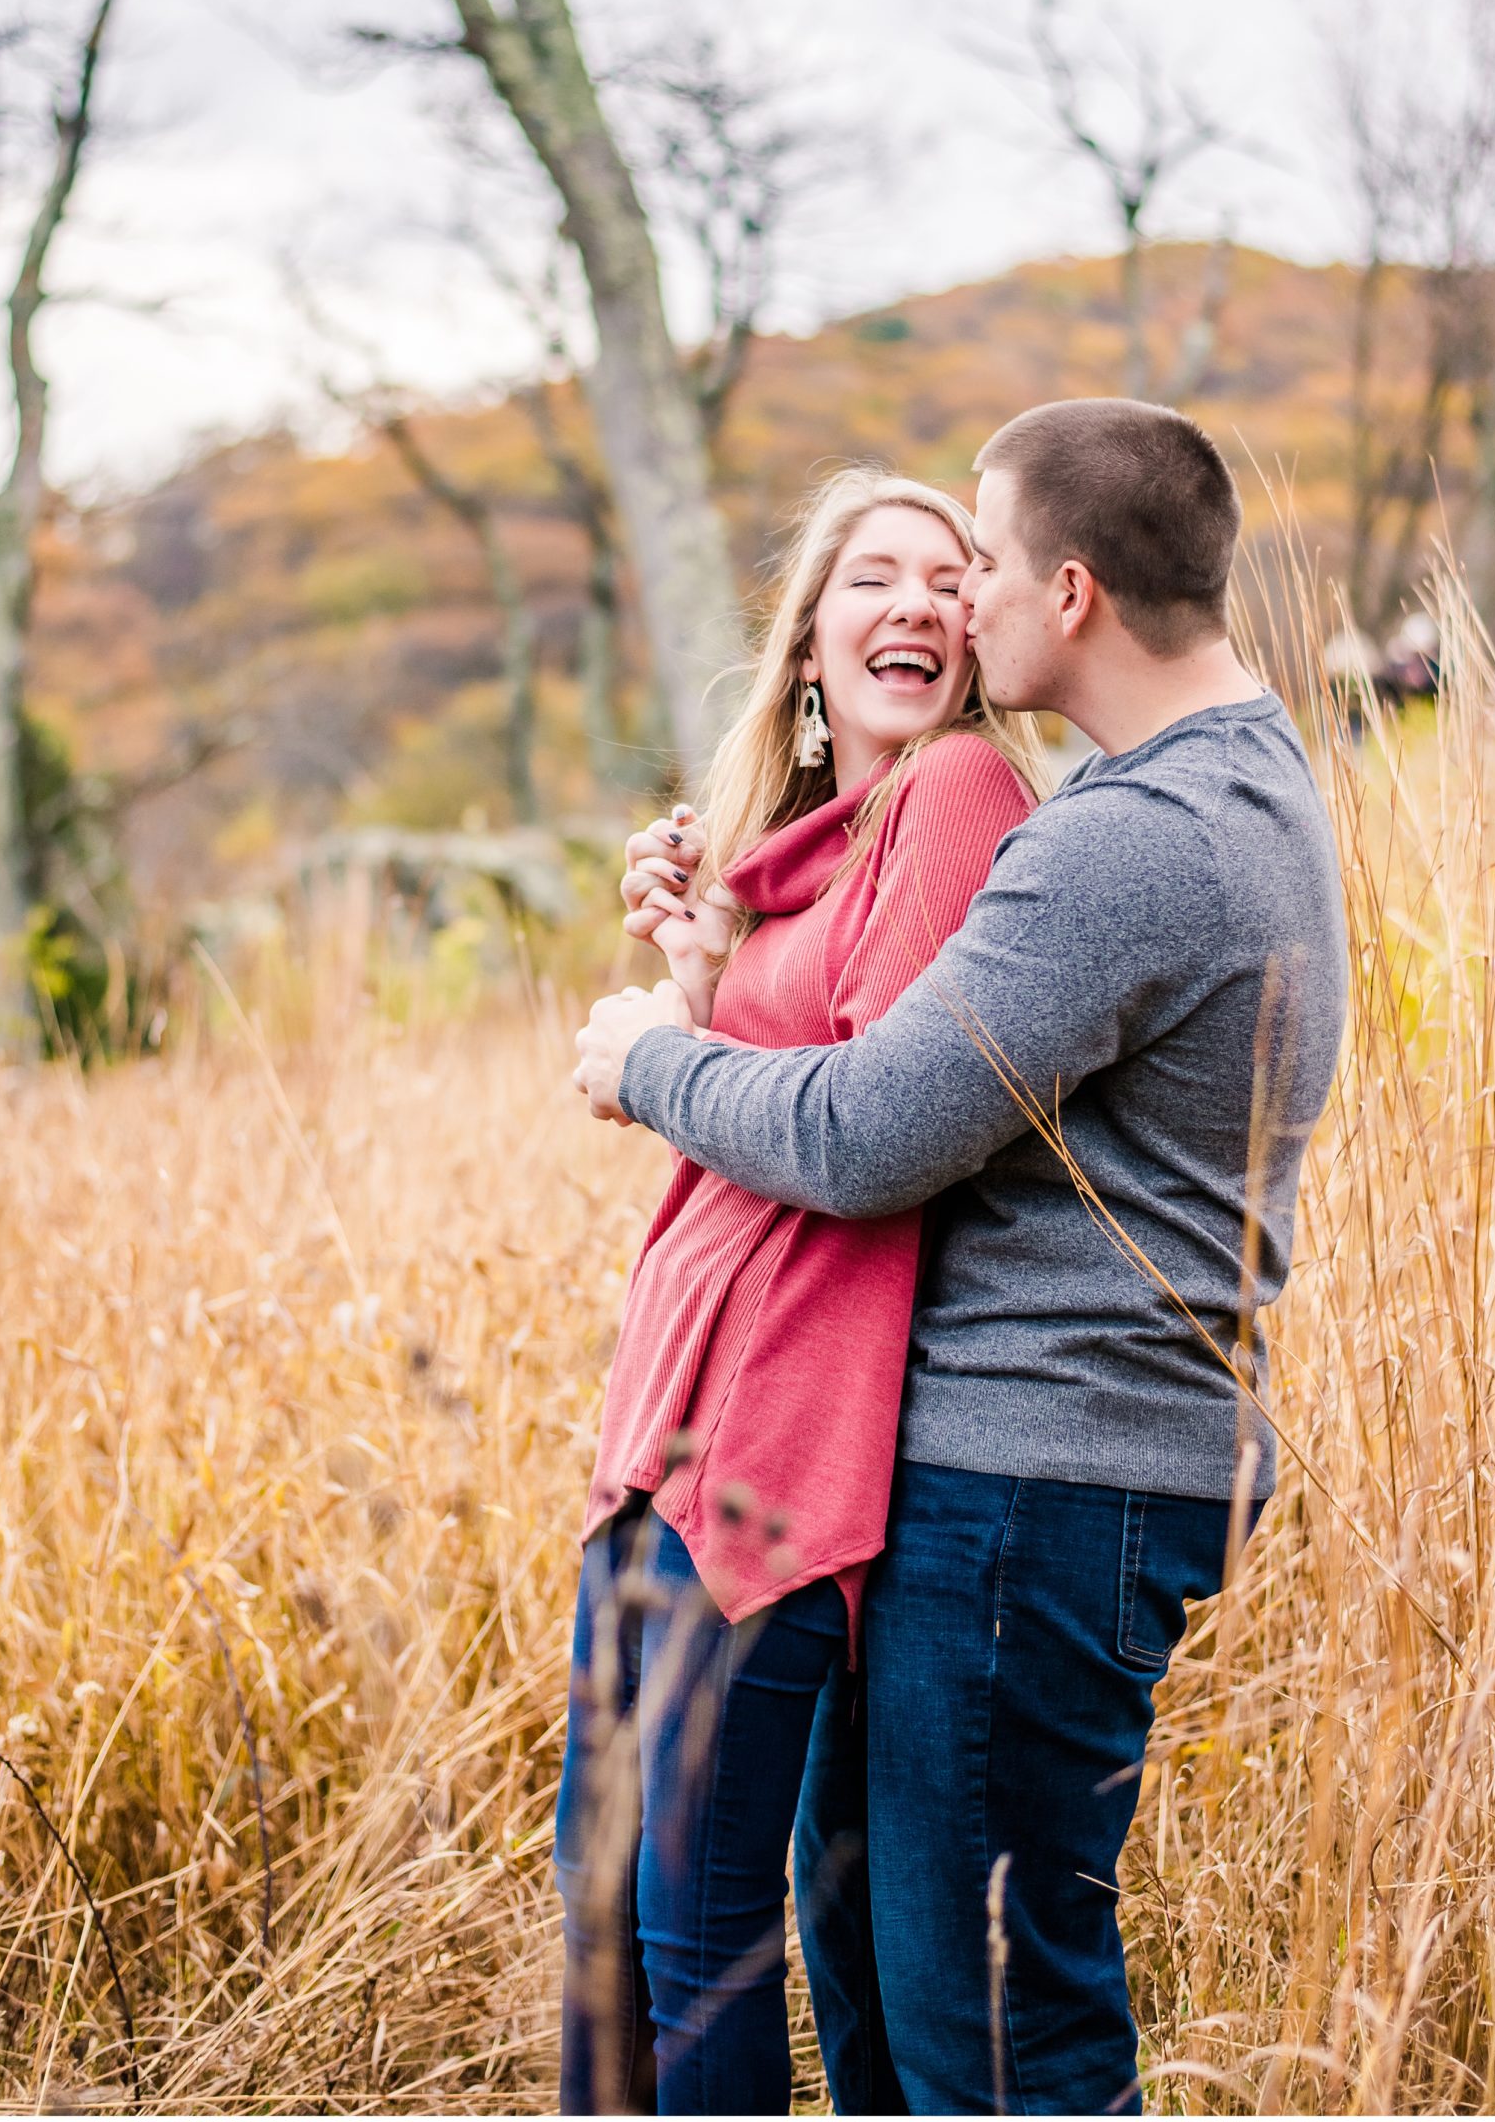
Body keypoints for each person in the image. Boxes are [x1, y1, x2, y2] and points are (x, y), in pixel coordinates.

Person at [576, 398, 1350, 2117]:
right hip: (1022, 1478)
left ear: (1068, 591)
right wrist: (719, 940)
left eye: (979, 560)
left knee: (990, 2033)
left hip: (1038, 1485)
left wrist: (647, 1061)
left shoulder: (1126, 844)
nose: (957, 598)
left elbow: (862, 1138)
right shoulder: (1222, 784)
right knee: (886, 1992)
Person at [554, 466, 1051, 2116]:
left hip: (772, 1452)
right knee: (609, 1926)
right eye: (872, 578)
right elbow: (748, 1126)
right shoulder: (815, 856)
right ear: (809, 647)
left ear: (980, 633)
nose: (913, 600)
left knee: (696, 1943)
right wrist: (699, 975)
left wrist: (663, 1052)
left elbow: (867, 1132)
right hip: (665, 1435)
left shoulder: (962, 787)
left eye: (946, 576)